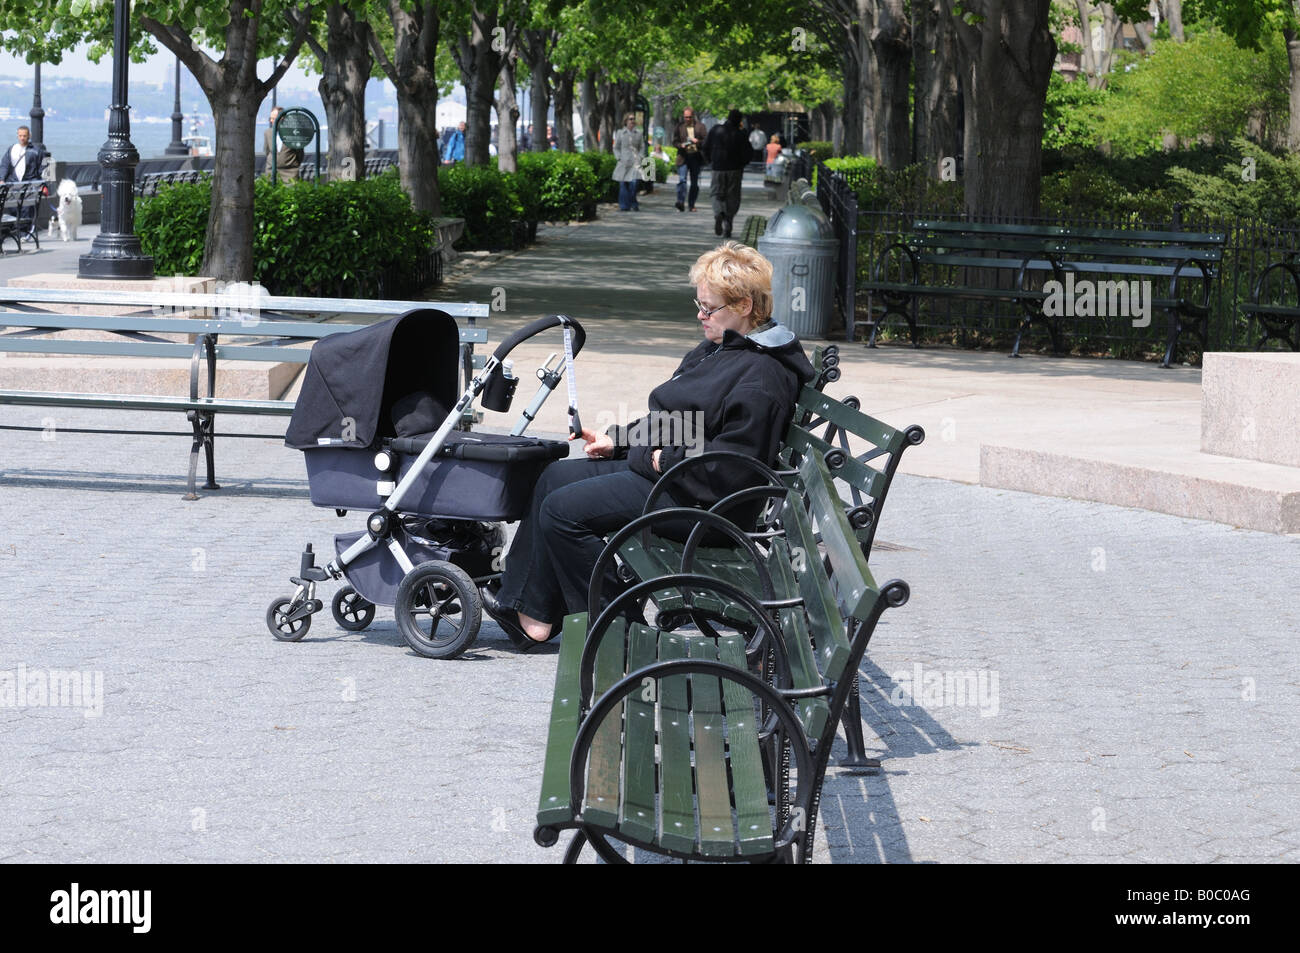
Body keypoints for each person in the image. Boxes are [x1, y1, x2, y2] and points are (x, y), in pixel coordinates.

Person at [482, 241, 815, 649]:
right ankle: (531, 609)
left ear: (745, 306)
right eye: (699, 303)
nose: (700, 315)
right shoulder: (725, 346)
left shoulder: (761, 375)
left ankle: (620, 629)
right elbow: (683, 420)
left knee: (564, 512)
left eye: (709, 308)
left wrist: (658, 459)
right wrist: (619, 440)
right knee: (553, 475)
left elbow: (731, 469)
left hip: (703, 502)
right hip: (676, 475)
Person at [704, 109, 750, 238]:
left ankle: (718, 212)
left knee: (716, 193)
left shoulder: (715, 130)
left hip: (718, 167)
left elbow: (705, 147)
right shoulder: (740, 134)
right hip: (735, 169)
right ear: (739, 120)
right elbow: (748, 152)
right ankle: (728, 221)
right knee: (732, 197)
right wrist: (742, 164)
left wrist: (710, 162)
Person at [672, 107, 707, 212]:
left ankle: (691, 204)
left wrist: (698, 141)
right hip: (683, 157)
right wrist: (680, 145)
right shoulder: (679, 126)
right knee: (682, 180)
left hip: (695, 157)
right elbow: (674, 141)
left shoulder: (700, 126)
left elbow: (706, 141)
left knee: (694, 182)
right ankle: (680, 202)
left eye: (689, 117)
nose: (687, 119)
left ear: (693, 116)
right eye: (685, 117)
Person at [612, 113, 642, 211]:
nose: (632, 121)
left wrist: (640, 157)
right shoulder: (620, 133)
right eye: (630, 119)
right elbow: (616, 148)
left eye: (633, 119)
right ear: (626, 121)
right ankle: (624, 206)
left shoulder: (639, 133)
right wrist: (619, 158)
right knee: (623, 185)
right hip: (623, 163)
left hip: (635, 163)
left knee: (633, 184)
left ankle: (633, 203)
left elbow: (642, 147)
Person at [264, 107, 303, 181]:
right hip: (271, 172)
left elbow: (299, 153)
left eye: (273, 118)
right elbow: (267, 151)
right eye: (270, 118)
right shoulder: (268, 133)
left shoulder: (294, 134)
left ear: (282, 118)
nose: (271, 121)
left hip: (290, 173)